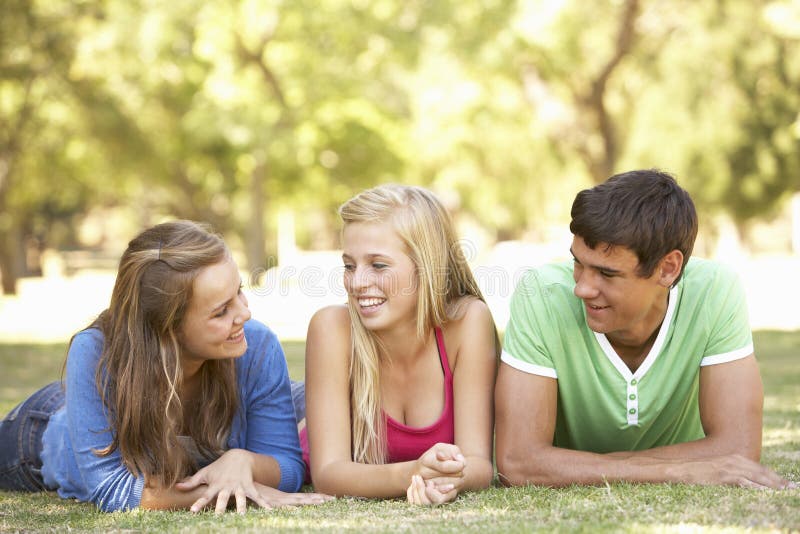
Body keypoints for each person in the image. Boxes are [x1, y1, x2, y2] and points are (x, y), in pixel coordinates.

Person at [0, 220, 332, 512]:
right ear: (167, 330)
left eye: (239, 293)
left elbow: (287, 466)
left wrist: (242, 462)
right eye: (221, 311)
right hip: (39, 435)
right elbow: (111, 489)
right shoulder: (95, 352)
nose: (244, 314)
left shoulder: (256, 345)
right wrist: (238, 491)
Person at [495, 169, 795, 489]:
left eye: (606, 274)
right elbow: (519, 462)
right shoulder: (540, 294)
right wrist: (676, 471)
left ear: (668, 269)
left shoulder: (714, 291)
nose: (582, 288)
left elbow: (738, 449)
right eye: (578, 263)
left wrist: (576, 466)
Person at [301, 184, 498, 504]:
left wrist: (448, 482)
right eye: (349, 265)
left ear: (428, 267)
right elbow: (328, 473)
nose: (357, 282)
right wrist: (416, 473)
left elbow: (478, 464)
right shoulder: (331, 329)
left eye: (378, 265)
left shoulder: (467, 322)